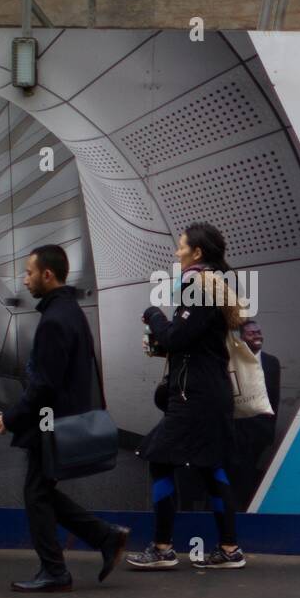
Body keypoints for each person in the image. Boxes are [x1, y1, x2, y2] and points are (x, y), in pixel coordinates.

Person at [0, 245, 128, 592]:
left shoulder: (55, 319)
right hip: (54, 419)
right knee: (40, 492)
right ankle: (104, 537)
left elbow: (44, 384)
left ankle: (55, 570)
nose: (24, 280)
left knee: (37, 494)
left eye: (29, 272)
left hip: (49, 422)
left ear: (47, 275)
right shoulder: (69, 311)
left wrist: (10, 418)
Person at [127, 223, 246, 570]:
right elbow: (192, 342)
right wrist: (164, 341)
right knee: (211, 466)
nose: (176, 252)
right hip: (208, 391)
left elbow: (178, 337)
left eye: (181, 247)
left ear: (196, 253)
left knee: (159, 458)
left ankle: (163, 549)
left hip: (195, 396)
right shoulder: (210, 285)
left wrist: (153, 316)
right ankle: (229, 549)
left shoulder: (198, 285)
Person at [228, 319, 280, 509]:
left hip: (259, 429)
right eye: (252, 333)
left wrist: (270, 430)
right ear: (241, 338)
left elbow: (274, 398)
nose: (258, 335)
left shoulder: (271, 363)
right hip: (236, 429)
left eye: (258, 331)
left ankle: (242, 509)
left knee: (246, 472)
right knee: (238, 472)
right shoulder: (232, 361)